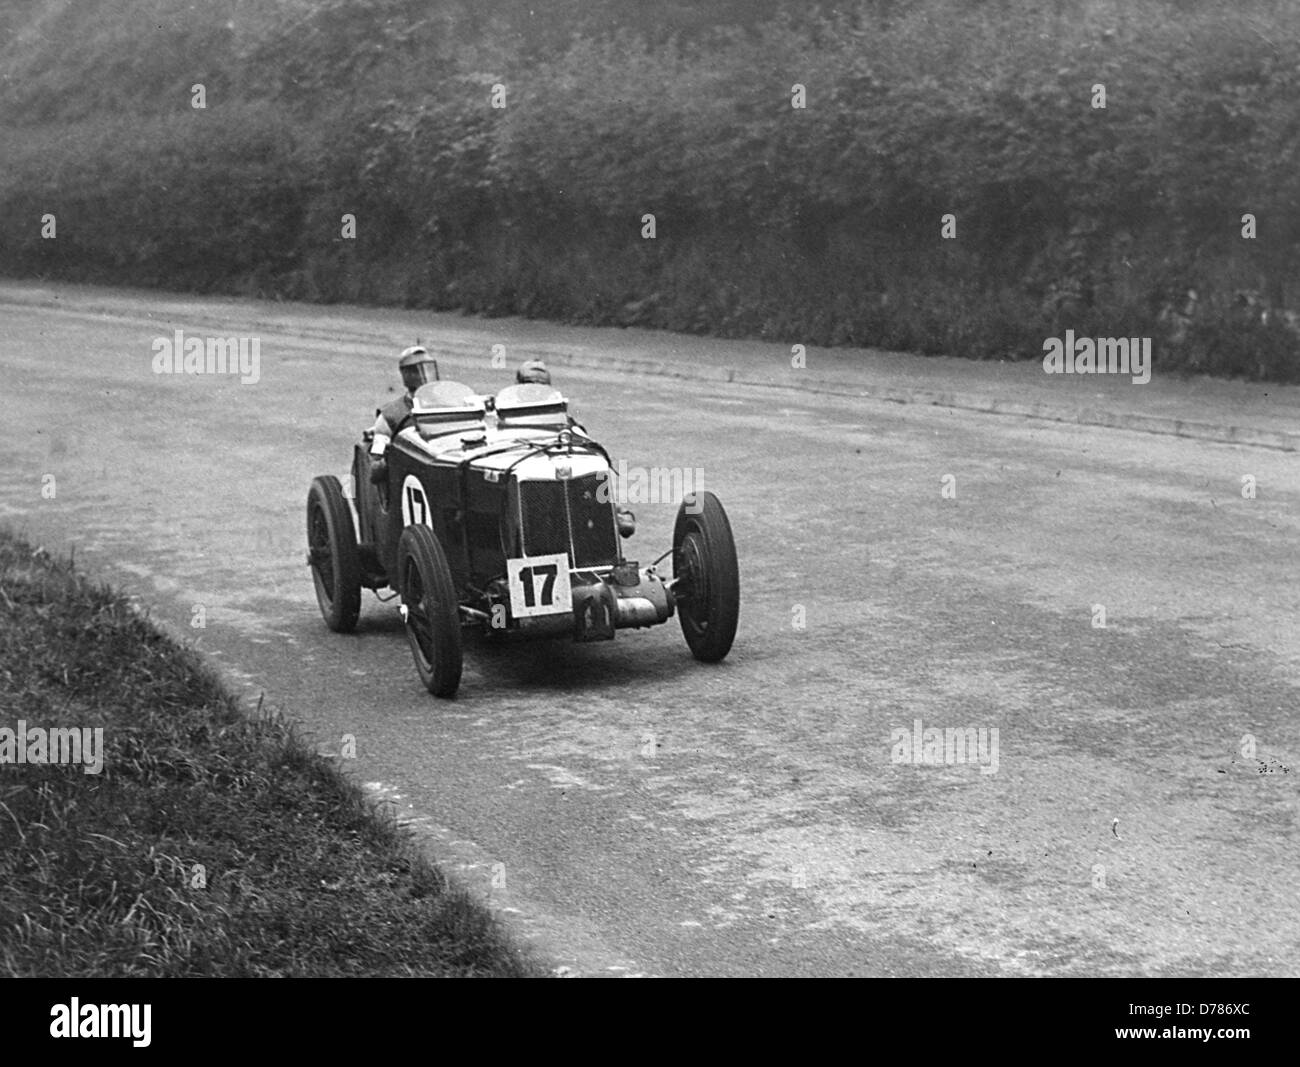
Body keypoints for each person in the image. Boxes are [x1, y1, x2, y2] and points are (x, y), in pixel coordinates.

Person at [368, 346, 438, 484]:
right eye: (416, 371)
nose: (423, 376)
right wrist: (381, 459)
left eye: (427, 369)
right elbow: (376, 465)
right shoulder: (389, 416)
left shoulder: (447, 405)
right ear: (407, 375)